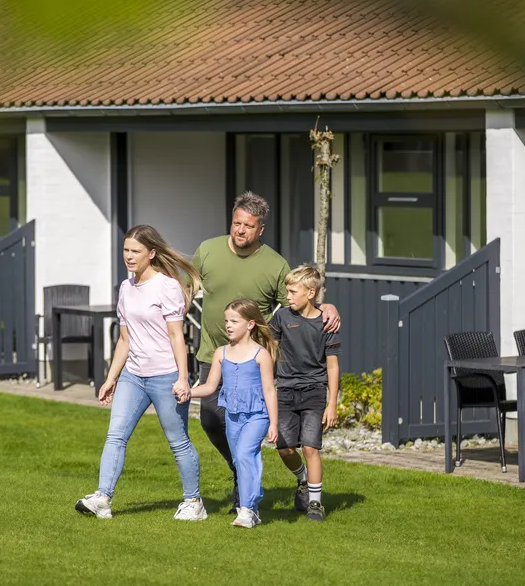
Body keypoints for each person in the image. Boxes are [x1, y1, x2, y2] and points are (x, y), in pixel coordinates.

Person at [191, 191, 341, 513]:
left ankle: (245, 488)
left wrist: (326, 305)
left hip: (250, 361)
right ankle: (240, 472)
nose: (240, 230)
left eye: (248, 226)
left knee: (245, 422)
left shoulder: (274, 264)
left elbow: (298, 300)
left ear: (261, 229)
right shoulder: (206, 251)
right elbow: (185, 287)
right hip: (212, 355)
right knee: (211, 420)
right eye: (236, 223)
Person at [75, 225, 206, 521]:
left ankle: (193, 502)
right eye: (126, 250)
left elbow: (177, 337)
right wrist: (111, 378)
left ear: (152, 253)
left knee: (178, 441)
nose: (129, 256)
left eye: (135, 251)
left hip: (165, 377)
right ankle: (103, 499)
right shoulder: (125, 288)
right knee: (115, 436)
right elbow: (125, 339)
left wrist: (183, 378)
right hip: (133, 376)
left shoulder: (167, 286)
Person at [191, 299, 278, 528]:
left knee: (244, 454)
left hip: (257, 416)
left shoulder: (261, 355)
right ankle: (252, 507)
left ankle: (247, 509)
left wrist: (274, 424)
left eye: (234, 321)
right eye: (226, 321)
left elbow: (269, 390)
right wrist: (187, 392)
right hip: (233, 417)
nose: (228, 325)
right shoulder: (220, 353)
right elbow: (210, 387)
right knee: (241, 461)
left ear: (250, 324)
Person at [270, 264, 341, 522]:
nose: (287, 297)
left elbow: (332, 365)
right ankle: (302, 478)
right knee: (285, 449)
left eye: (292, 292)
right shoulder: (281, 318)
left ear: (310, 293)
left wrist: (332, 403)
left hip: (314, 391)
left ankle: (315, 504)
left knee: (311, 447)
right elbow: (270, 352)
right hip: (285, 391)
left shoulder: (327, 323)